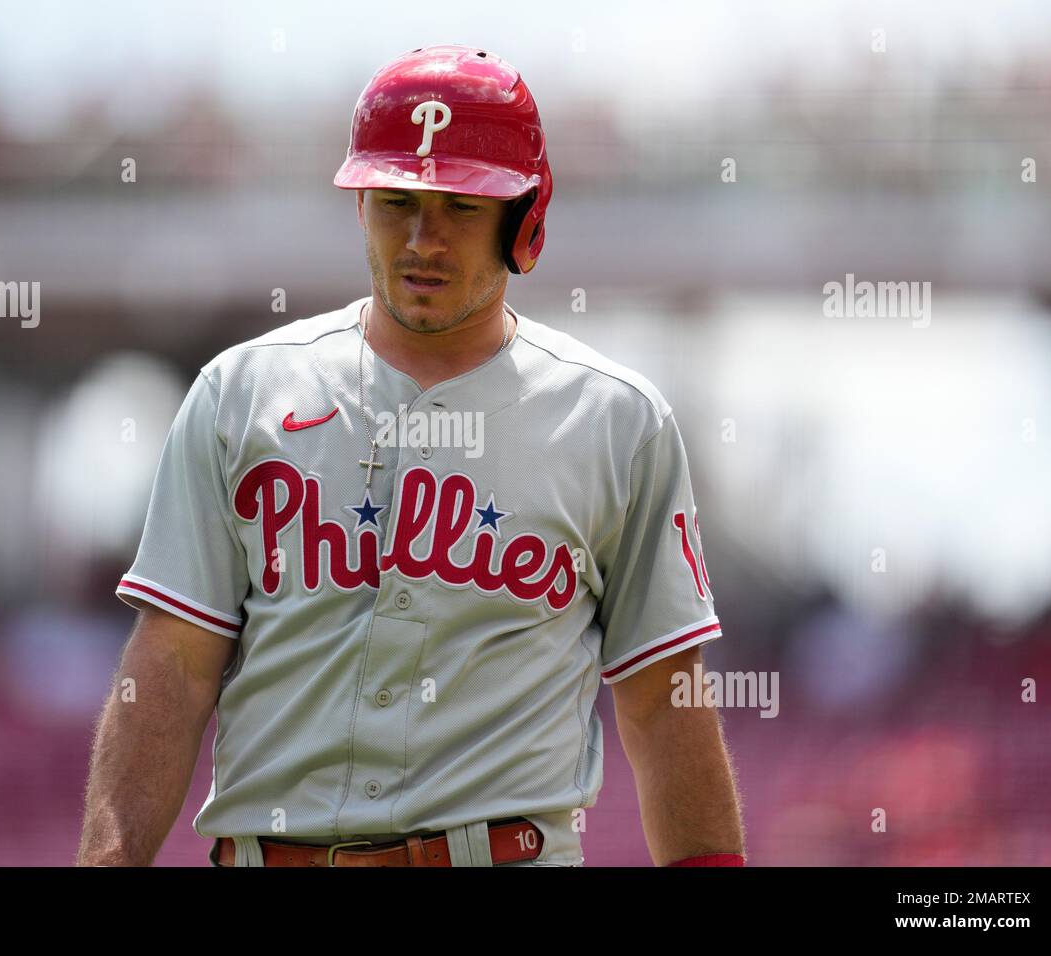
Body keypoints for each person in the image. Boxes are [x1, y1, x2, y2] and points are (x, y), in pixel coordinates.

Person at [77, 44, 745, 867]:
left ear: (525, 217)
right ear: (360, 206)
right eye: (396, 201)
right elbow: (172, 670)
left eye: (462, 207)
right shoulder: (239, 394)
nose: (423, 238)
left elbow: (661, 700)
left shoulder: (617, 421)